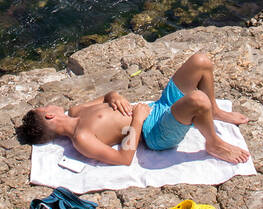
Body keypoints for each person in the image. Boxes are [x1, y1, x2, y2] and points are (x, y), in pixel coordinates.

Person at [19, 51, 250, 165]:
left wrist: (114, 95)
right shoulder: (82, 138)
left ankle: (216, 112)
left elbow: (106, 97)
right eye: (44, 107)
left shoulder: (77, 110)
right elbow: (124, 157)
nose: (49, 104)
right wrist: (137, 121)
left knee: (201, 61)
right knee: (198, 99)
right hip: (154, 131)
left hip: (156, 107)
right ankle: (213, 143)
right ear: (49, 115)